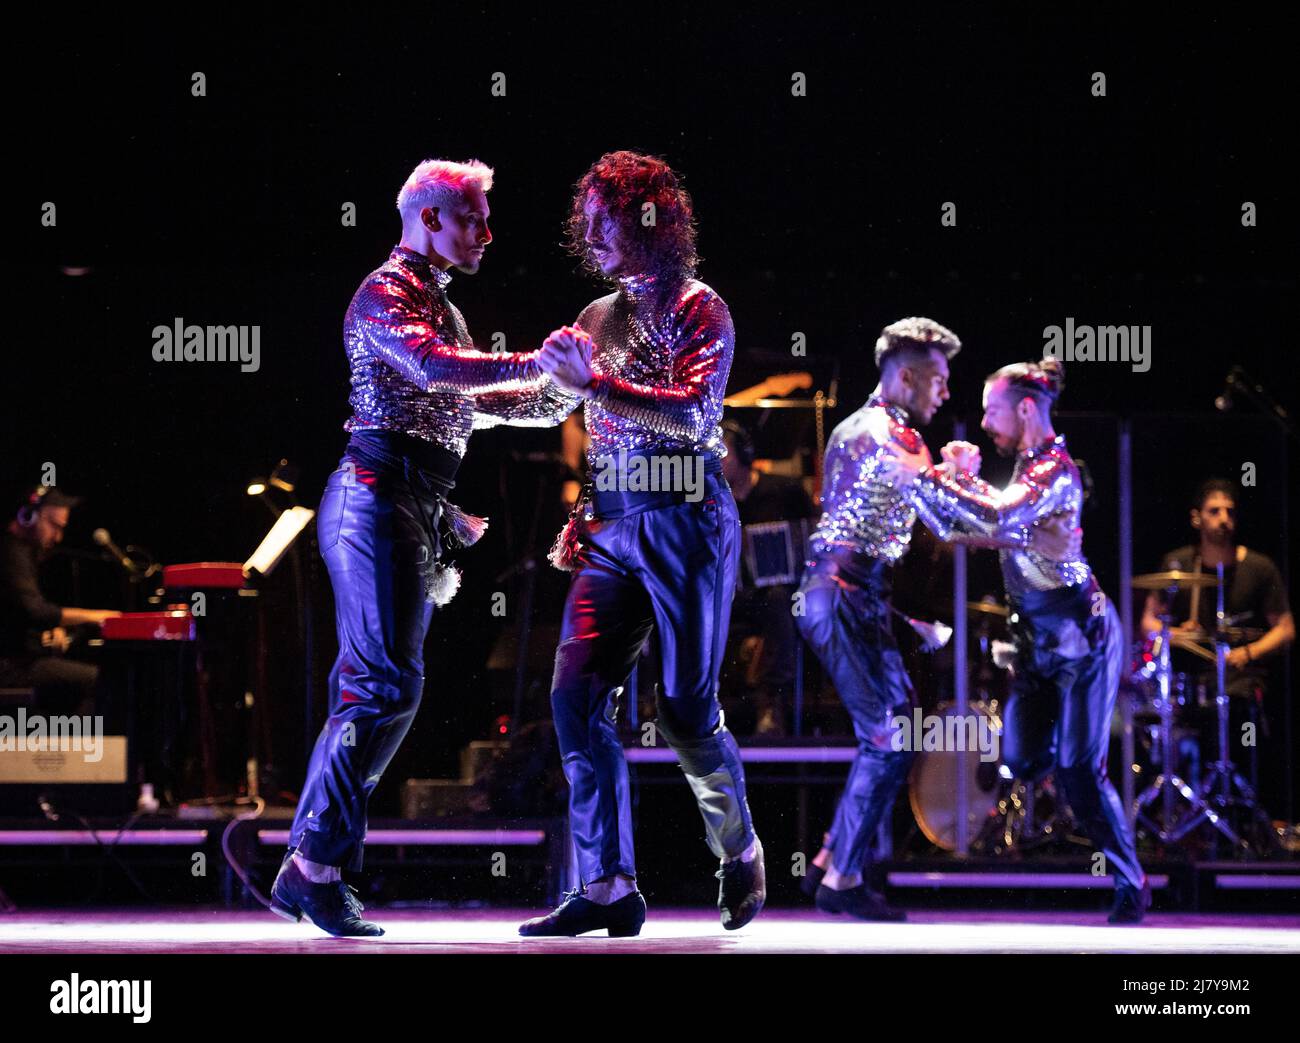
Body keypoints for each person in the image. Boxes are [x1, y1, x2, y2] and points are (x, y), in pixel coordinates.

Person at [270, 158, 562, 937]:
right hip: (374, 495)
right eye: (472, 216)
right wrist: (539, 362)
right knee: (383, 684)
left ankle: (311, 862)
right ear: (428, 217)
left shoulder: (441, 307)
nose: (487, 232)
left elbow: (482, 401)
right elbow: (438, 369)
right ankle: (314, 866)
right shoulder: (385, 293)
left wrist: (573, 384)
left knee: (382, 686)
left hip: (404, 501)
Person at [514, 151, 765, 937]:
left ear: (652, 221)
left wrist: (594, 386)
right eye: (584, 222)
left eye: (606, 220)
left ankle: (740, 846)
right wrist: (440, 389)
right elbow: (557, 406)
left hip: (687, 520)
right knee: (575, 697)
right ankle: (608, 884)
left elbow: (691, 417)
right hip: (611, 529)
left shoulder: (701, 309)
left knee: (687, 712)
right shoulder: (596, 317)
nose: (590, 236)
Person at [887, 357, 1151, 923]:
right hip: (1037, 645)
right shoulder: (1028, 473)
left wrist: (931, 476)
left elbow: (998, 522)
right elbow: (963, 528)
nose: (984, 423)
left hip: (1083, 638)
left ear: (1026, 409)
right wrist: (945, 481)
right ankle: (1070, 747)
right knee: (1022, 760)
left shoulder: (1055, 472)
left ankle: (1130, 880)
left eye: (992, 410)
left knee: (1080, 770)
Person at [1139, 478, 1294, 814]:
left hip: (1242, 676)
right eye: (1214, 511)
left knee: (1236, 711)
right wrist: (1177, 633)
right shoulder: (1177, 565)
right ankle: (1180, 813)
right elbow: (1149, 624)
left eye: (1230, 512)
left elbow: (1284, 628)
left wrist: (1248, 653)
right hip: (1193, 676)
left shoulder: (1259, 568)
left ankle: (1241, 811)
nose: (1224, 518)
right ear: (1197, 518)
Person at [719, 418, 818, 736]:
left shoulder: (783, 491)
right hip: (730, 594)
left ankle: (770, 704)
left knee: (779, 599)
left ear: (745, 455)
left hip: (777, 594)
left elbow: (815, 534)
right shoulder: (708, 502)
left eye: (723, 452)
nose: (716, 460)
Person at [0, 485, 120, 715]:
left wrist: (44, 632)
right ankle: (78, 749)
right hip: (9, 666)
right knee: (99, 680)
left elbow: (15, 615)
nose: (58, 537)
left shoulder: (20, 552)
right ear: (28, 517)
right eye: (55, 527)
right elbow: (33, 611)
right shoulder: (10, 552)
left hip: (15, 659)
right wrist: (94, 616)